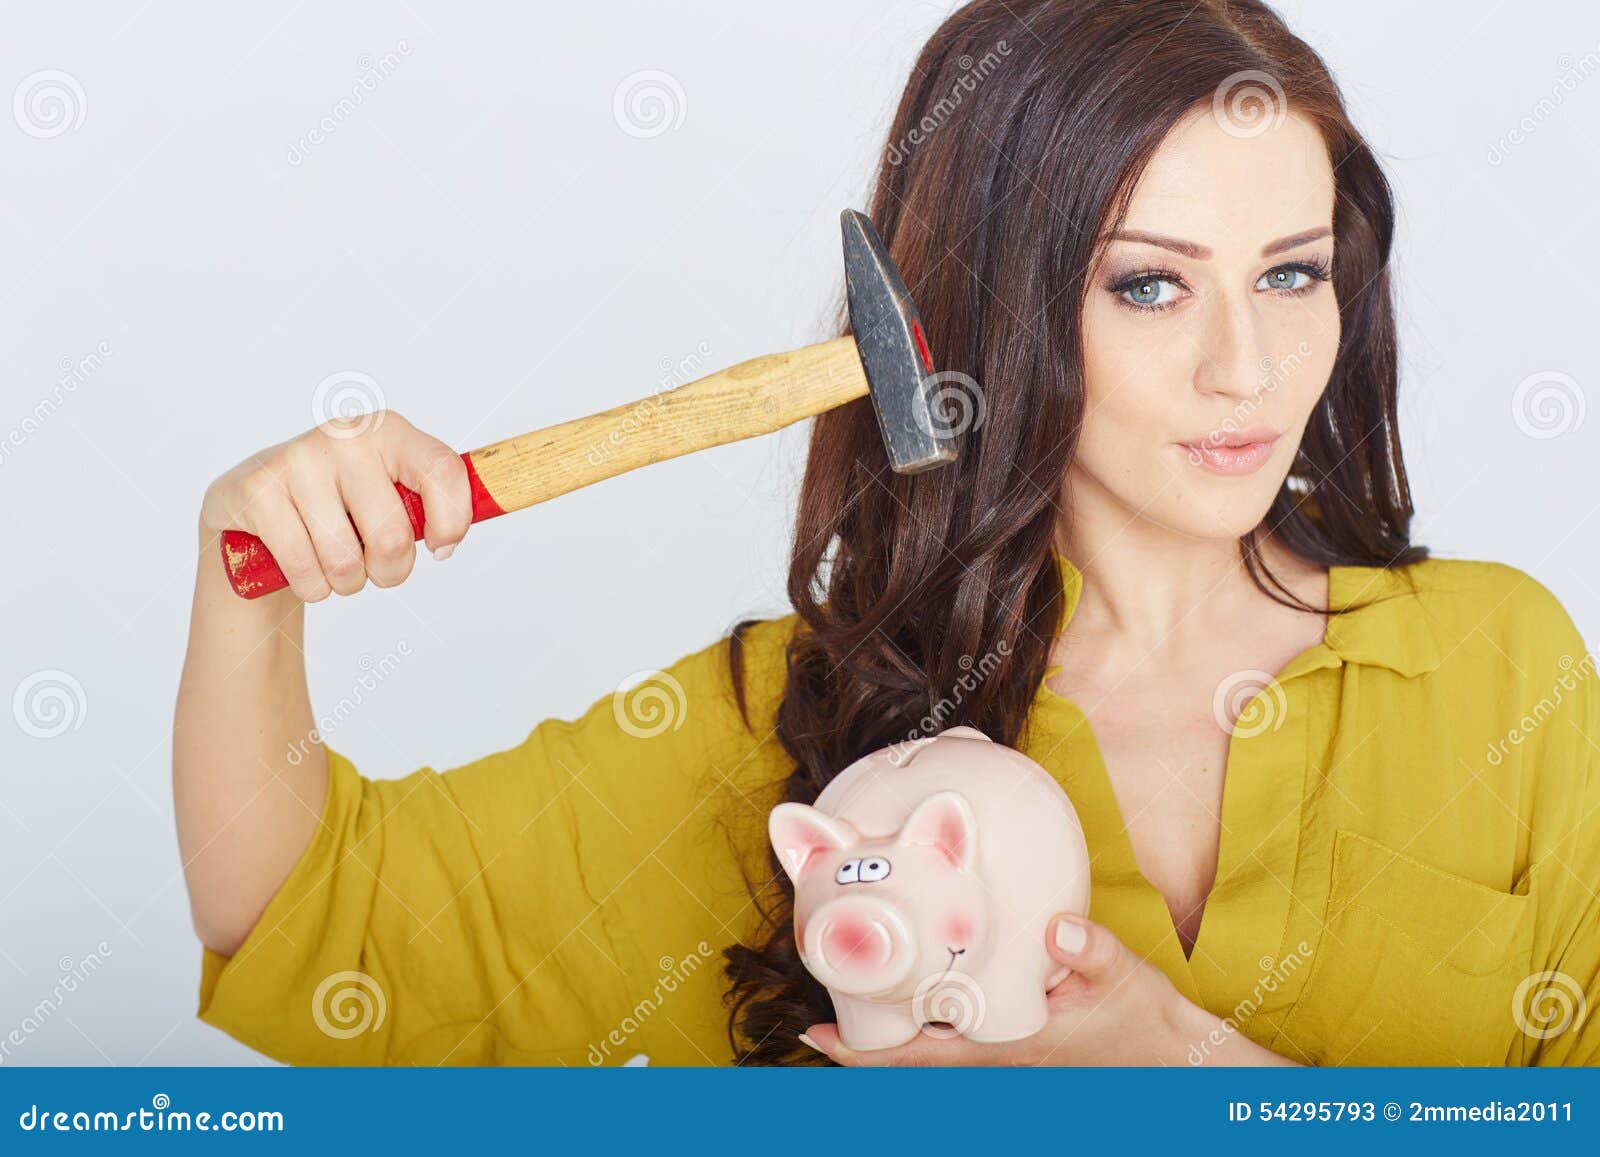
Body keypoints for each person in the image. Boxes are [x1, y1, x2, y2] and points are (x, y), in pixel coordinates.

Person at [174, 0, 1599, 1066]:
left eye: (1292, 273)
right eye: (1149, 288)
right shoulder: (799, 717)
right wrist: (251, 593)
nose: (1248, 367)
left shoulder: (1501, 665)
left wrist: (1193, 1069)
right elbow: (316, 919)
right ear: (986, 309)